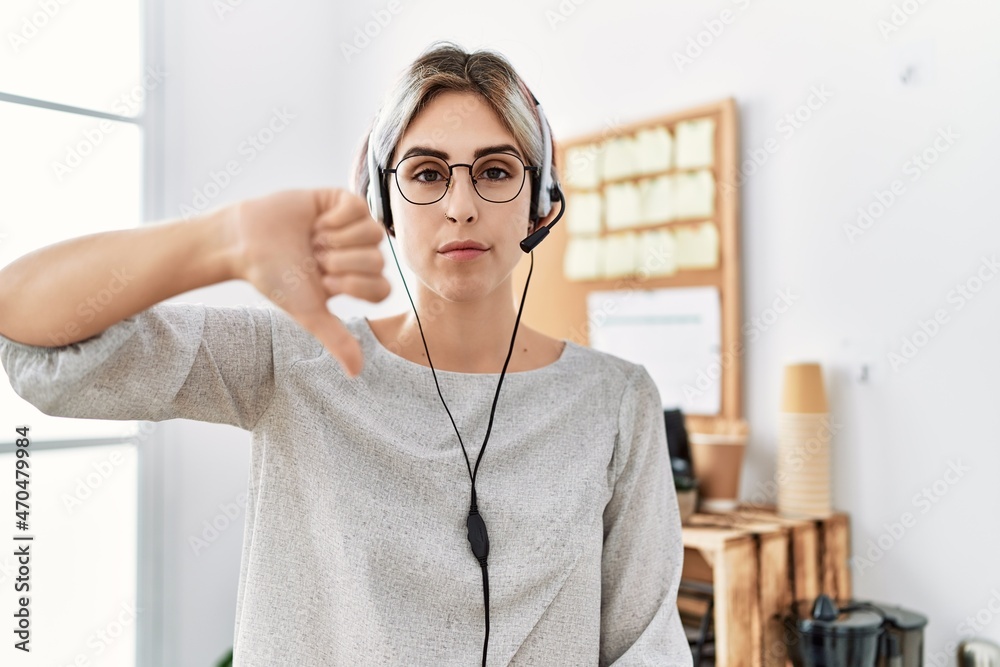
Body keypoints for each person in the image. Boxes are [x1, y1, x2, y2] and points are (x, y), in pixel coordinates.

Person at [0, 41, 691, 666]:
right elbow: (28, 325)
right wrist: (225, 240)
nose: (460, 205)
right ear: (383, 204)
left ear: (541, 203)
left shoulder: (616, 400)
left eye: (496, 170)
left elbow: (647, 647)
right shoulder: (295, 361)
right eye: (425, 173)